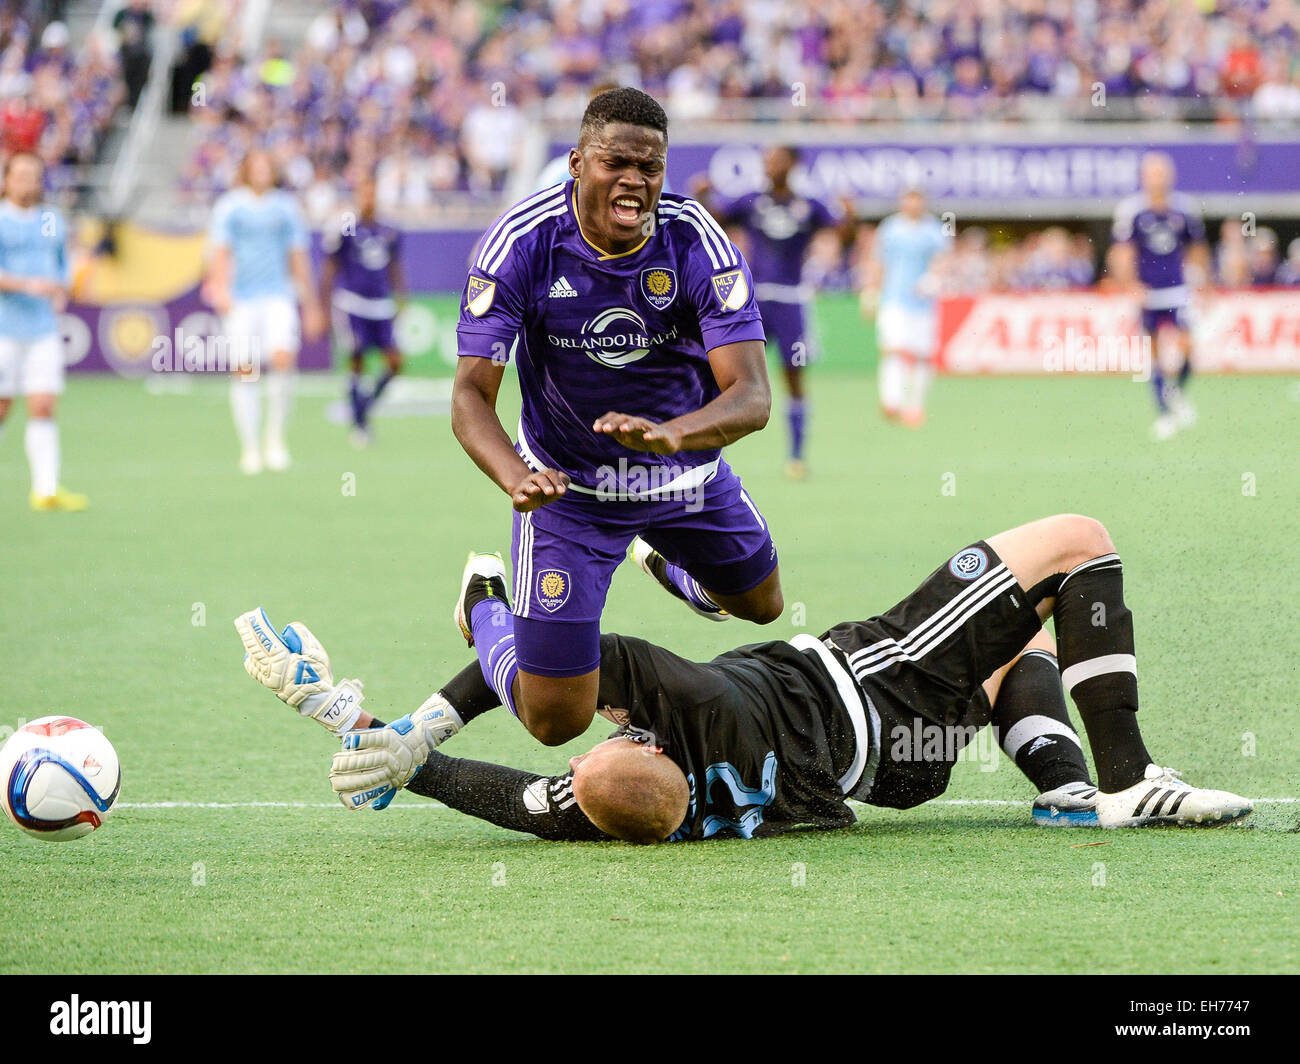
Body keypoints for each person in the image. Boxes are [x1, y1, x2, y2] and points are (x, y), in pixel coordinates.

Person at [237, 513, 1253, 840]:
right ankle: (1120, 779)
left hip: (888, 773)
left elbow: (519, 801)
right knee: (1075, 548)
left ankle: (1062, 788)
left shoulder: (661, 809)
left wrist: (349, 721)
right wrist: (473, 642)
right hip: (877, 680)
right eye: (614, 739)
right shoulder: (700, 708)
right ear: (640, 742)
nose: (601, 742)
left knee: (1019, 648)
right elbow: (582, 662)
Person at [450, 87, 782, 749]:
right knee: (555, 722)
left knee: (761, 606)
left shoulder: (696, 241)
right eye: (615, 163)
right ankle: (484, 606)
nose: (634, 179)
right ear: (577, 163)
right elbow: (469, 397)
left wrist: (674, 436)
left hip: (683, 478)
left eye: (650, 168)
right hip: (570, 494)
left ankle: (662, 556)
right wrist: (518, 478)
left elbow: (752, 396)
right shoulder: (522, 244)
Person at [694, 147, 855, 479]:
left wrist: (850, 215)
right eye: (767, 160)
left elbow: (843, 234)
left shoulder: (808, 204)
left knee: (793, 377)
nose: (770, 165)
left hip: (792, 300)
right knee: (726, 374)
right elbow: (716, 219)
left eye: (777, 160)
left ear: (792, 165)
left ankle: (796, 456)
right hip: (753, 300)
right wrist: (704, 196)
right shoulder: (752, 198)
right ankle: (700, 450)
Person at [203, 148, 325, 474]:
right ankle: (250, 447)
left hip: (278, 295)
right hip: (242, 298)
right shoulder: (231, 206)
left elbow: (297, 255)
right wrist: (220, 288)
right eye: (255, 166)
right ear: (246, 169)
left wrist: (311, 303)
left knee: (282, 359)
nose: (261, 171)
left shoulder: (285, 207)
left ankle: (275, 439)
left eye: (266, 166)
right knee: (245, 369)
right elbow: (220, 251)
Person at [0, 151, 86, 511]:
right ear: (7, 179)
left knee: (44, 403)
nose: (26, 182)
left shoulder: (49, 219)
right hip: (5, 328)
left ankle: (46, 489)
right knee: (3, 405)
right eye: (20, 175)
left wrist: (61, 287)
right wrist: (27, 285)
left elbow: (58, 261)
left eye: (33, 175)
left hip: (43, 329)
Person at [1110, 152, 1209, 442]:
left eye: (1162, 173)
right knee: (1153, 354)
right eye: (1152, 174)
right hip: (1149, 293)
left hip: (1179, 290)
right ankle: (1164, 414)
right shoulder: (1132, 211)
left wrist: (1204, 284)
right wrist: (1130, 284)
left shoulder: (1185, 209)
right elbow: (1122, 252)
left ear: (1171, 176)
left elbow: (1198, 248)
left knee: (1188, 349)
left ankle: (1175, 392)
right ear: (1144, 178)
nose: (1158, 179)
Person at [320, 174, 404, 447]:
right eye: (364, 193)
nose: (369, 198)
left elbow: (394, 268)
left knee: (394, 363)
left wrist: (402, 298)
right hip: (352, 303)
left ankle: (362, 407)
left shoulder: (388, 231)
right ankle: (360, 425)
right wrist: (324, 305)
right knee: (357, 359)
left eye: (373, 193)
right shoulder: (345, 229)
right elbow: (330, 268)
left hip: (381, 305)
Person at [860, 187, 951, 427]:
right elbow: (878, 262)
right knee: (893, 349)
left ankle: (915, 405)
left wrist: (933, 279)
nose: (913, 204)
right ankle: (891, 401)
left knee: (922, 355)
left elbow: (942, 261)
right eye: (908, 198)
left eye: (917, 199)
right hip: (894, 300)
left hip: (923, 304)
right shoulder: (890, 228)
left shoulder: (932, 229)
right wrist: (871, 292)